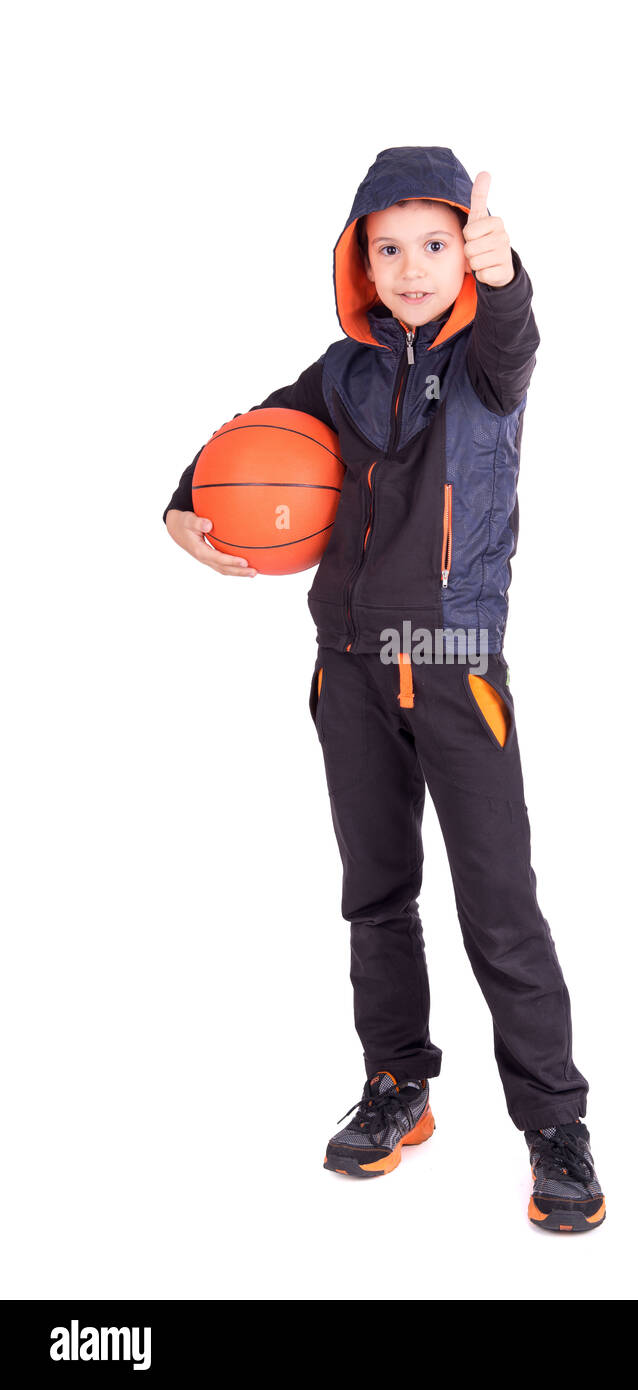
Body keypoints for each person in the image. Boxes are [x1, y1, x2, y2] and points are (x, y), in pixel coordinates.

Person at [163, 146, 605, 1233]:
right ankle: (397, 1083)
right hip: (350, 669)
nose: (413, 267)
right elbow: (246, 440)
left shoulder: (490, 363)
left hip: (453, 665)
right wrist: (181, 502)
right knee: (376, 894)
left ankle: (555, 1125)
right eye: (389, 247)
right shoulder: (341, 371)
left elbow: (515, 328)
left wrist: (506, 278)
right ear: (360, 263)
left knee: (500, 906)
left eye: (438, 245)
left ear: (468, 251)